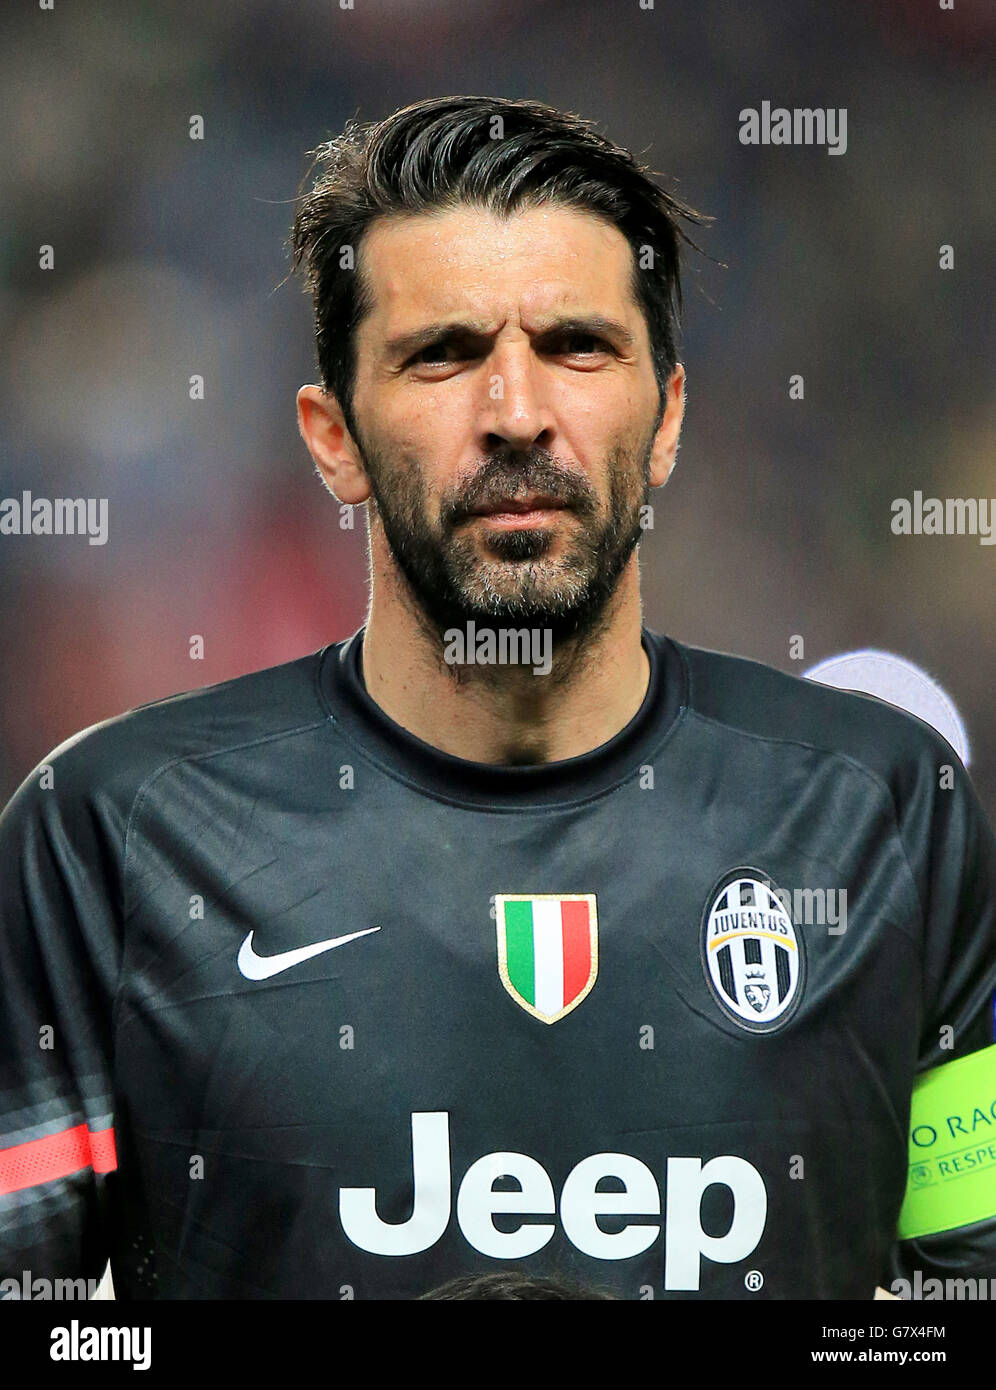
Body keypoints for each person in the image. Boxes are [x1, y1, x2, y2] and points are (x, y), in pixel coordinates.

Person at [1, 96, 993, 1301]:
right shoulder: (111, 835)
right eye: (444, 353)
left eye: (577, 345)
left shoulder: (887, 813)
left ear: (669, 414)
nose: (518, 413)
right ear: (334, 438)